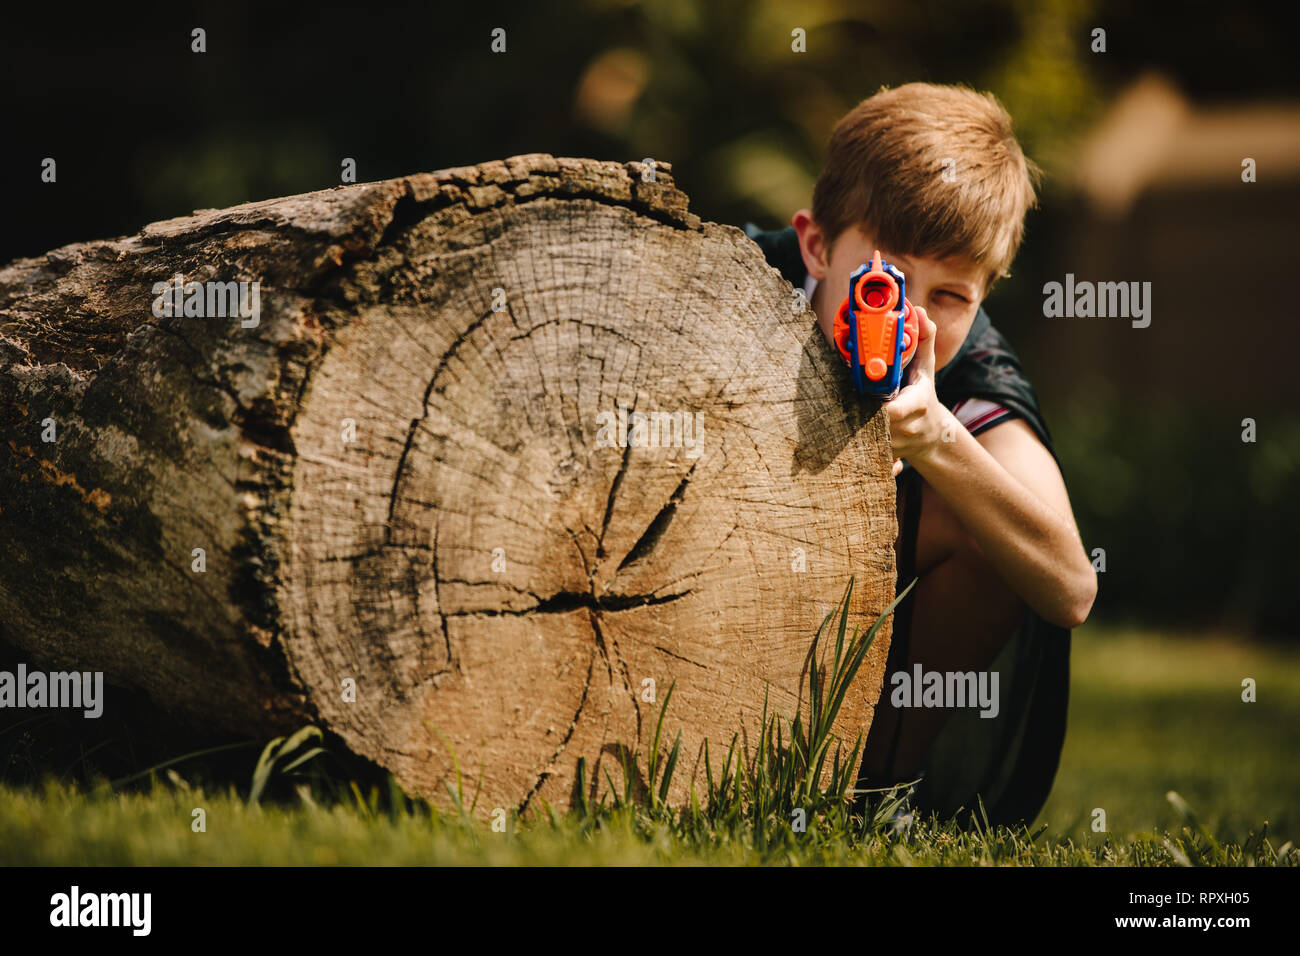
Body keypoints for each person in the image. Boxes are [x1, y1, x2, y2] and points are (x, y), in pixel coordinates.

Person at [745, 82, 1097, 829]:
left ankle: (868, 794)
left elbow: (1070, 586)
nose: (909, 317)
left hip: (850, 636)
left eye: (951, 297)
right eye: (886, 279)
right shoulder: (733, 281)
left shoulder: (974, 371)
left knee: (984, 524)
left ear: (985, 295)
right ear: (814, 244)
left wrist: (939, 440)